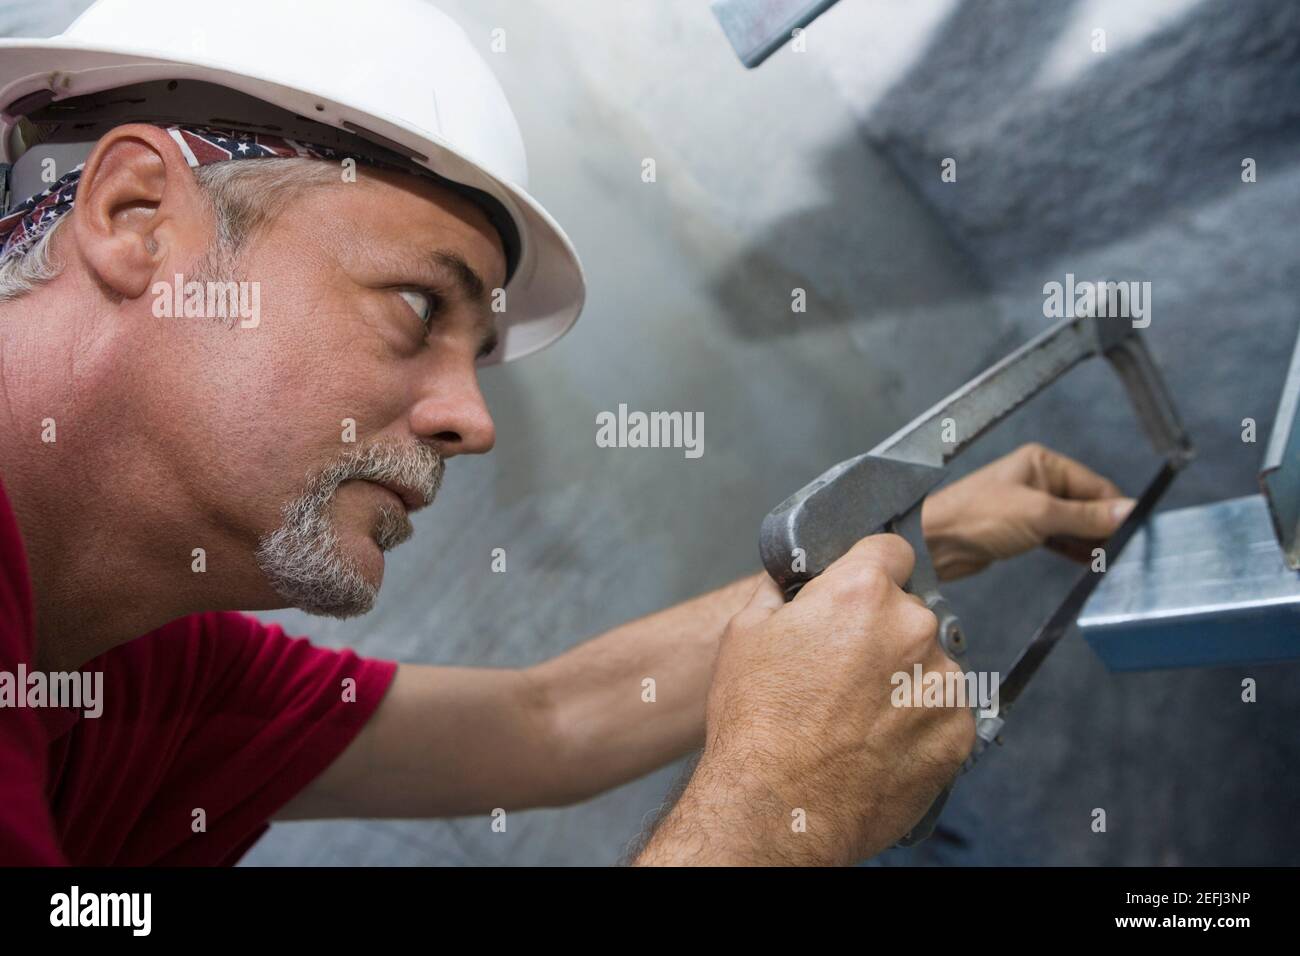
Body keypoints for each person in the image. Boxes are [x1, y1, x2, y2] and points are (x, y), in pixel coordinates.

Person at [0, 0, 1135, 866]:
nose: (472, 420)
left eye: (479, 352)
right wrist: (766, 821)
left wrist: (924, 522)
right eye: (415, 308)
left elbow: (547, 720)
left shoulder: (142, 674)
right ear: (137, 218)